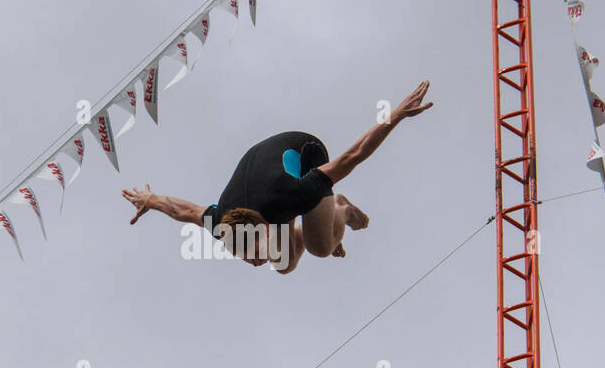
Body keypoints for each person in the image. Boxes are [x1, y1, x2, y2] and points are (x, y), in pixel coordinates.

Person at [122, 80, 432, 274]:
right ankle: (321, 225)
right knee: (283, 265)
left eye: (255, 254)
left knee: (320, 248)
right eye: (245, 257)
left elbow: (353, 156)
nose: (255, 263)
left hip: (304, 152)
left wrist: (395, 116)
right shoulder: (222, 225)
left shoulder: (291, 193)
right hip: (266, 174)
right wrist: (150, 199)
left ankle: (340, 208)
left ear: (268, 229)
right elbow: (186, 211)